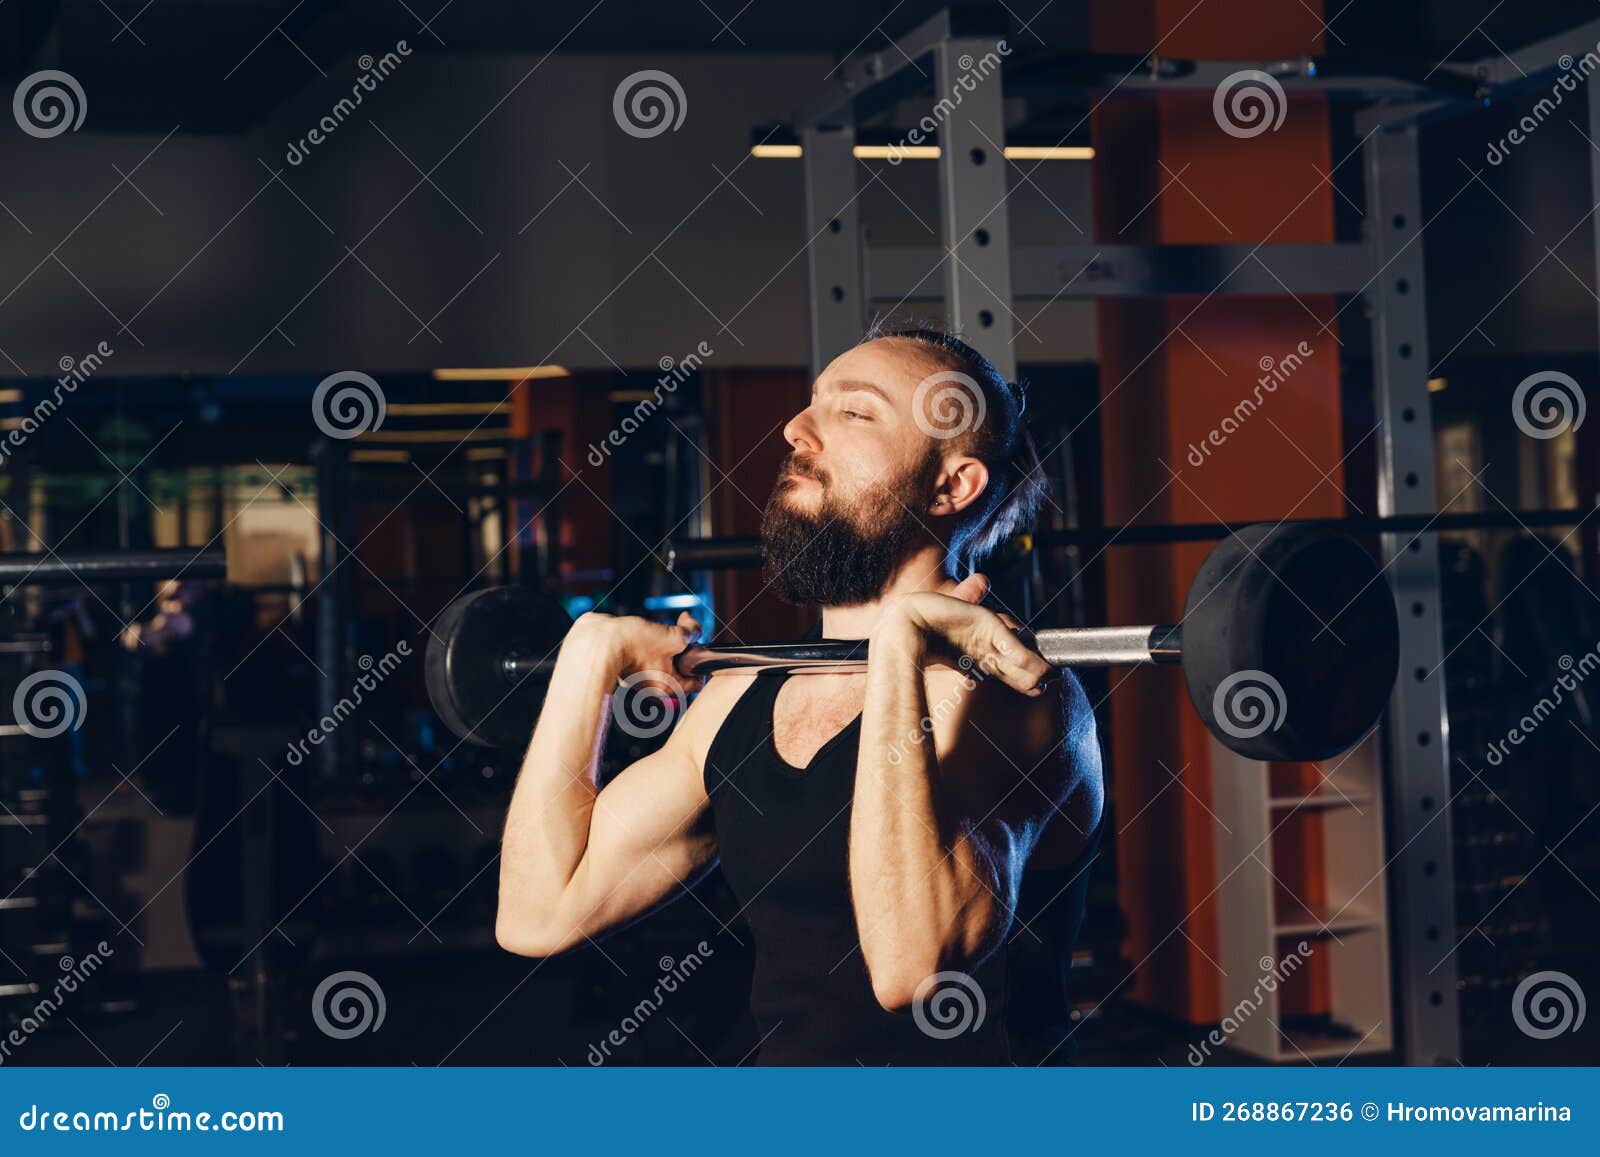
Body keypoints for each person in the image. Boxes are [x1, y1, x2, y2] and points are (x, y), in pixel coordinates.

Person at [495, 327, 1105, 1064]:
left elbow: (914, 972)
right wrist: (586, 658)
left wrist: (899, 647)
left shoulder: (1016, 697)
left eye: (856, 412)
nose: (796, 428)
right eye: (812, 403)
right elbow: (537, 914)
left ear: (951, 486)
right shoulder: (741, 696)